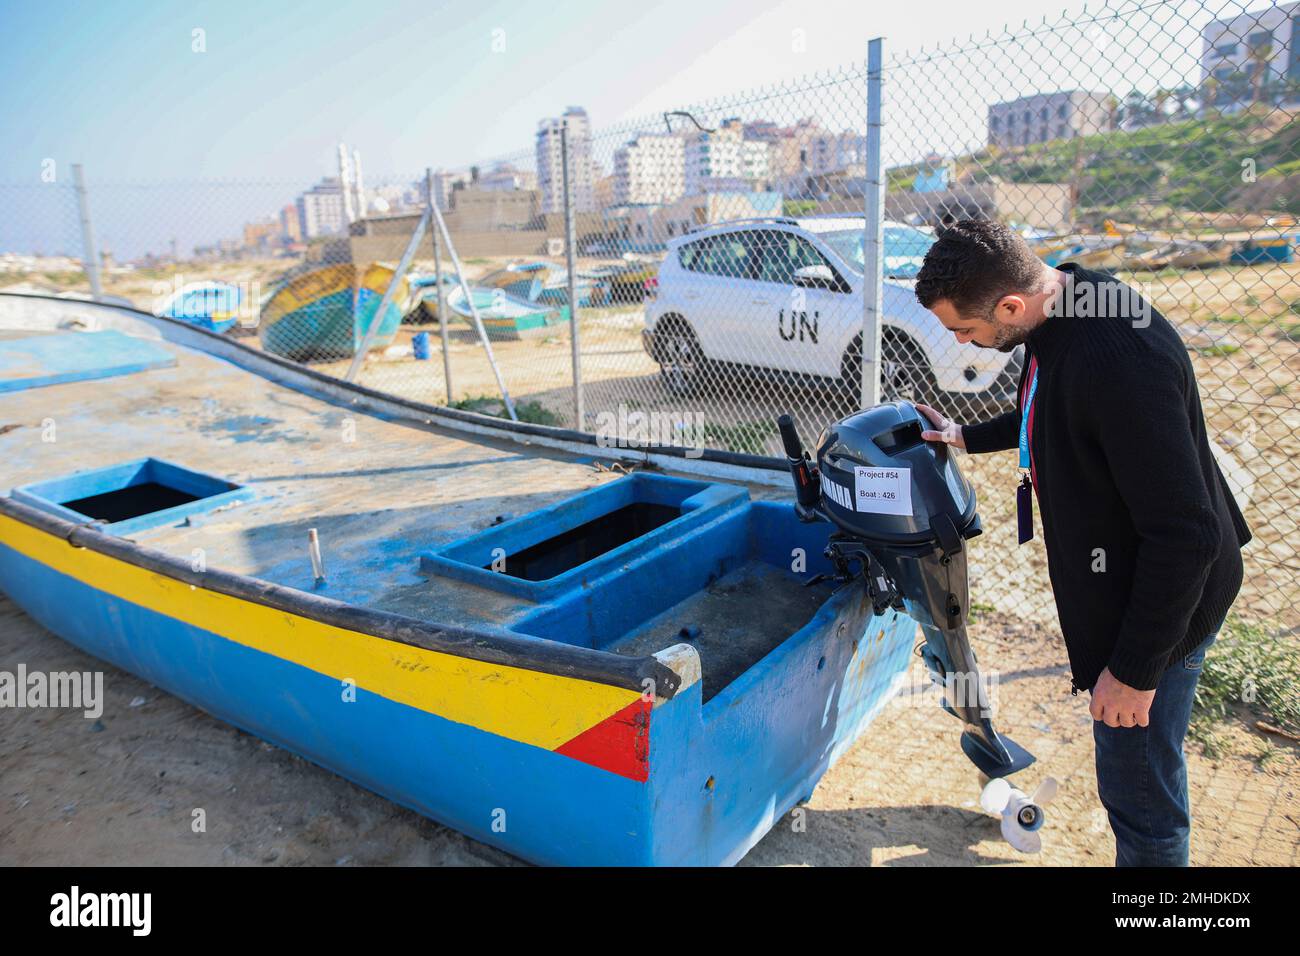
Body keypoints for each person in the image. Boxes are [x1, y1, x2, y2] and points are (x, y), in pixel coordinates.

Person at [910, 218, 1251, 866]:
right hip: (1135, 585)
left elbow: (1187, 536)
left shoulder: (1117, 360)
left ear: (1010, 305)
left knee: (1139, 796)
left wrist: (1133, 673)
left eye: (965, 329)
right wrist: (964, 434)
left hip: (1161, 609)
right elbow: (1052, 406)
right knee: (1136, 776)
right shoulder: (1061, 306)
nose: (962, 341)